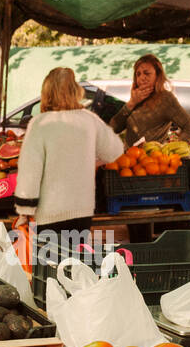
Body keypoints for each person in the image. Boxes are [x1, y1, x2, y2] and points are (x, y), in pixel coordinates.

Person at [15, 67, 124, 238]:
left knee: (51, 262)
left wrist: (24, 211)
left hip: (49, 213)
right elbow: (115, 151)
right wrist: (91, 161)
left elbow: (31, 171)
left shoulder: (40, 124)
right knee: (77, 263)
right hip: (82, 210)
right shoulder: (89, 120)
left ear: (46, 93)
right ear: (76, 91)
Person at [109, 54, 190, 147]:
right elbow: (113, 128)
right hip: (130, 159)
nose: (141, 78)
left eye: (146, 73)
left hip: (152, 159)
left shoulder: (165, 98)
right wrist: (132, 103)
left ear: (158, 75)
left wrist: (172, 151)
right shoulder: (136, 98)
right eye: (138, 74)